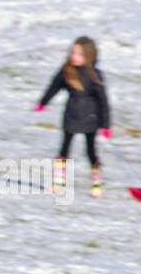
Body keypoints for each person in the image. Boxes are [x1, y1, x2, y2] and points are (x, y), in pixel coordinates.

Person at [37, 36, 111, 197]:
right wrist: (43, 102)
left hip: (91, 118)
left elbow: (103, 102)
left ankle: (97, 185)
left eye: (79, 54)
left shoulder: (95, 75)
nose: (74, 57)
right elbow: (53, 87)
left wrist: (106, 125)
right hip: (71, 115)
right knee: (64, 149)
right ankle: (59, 183)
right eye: (73, 53)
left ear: (89, 56)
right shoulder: (67, 71)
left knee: (91, 151)